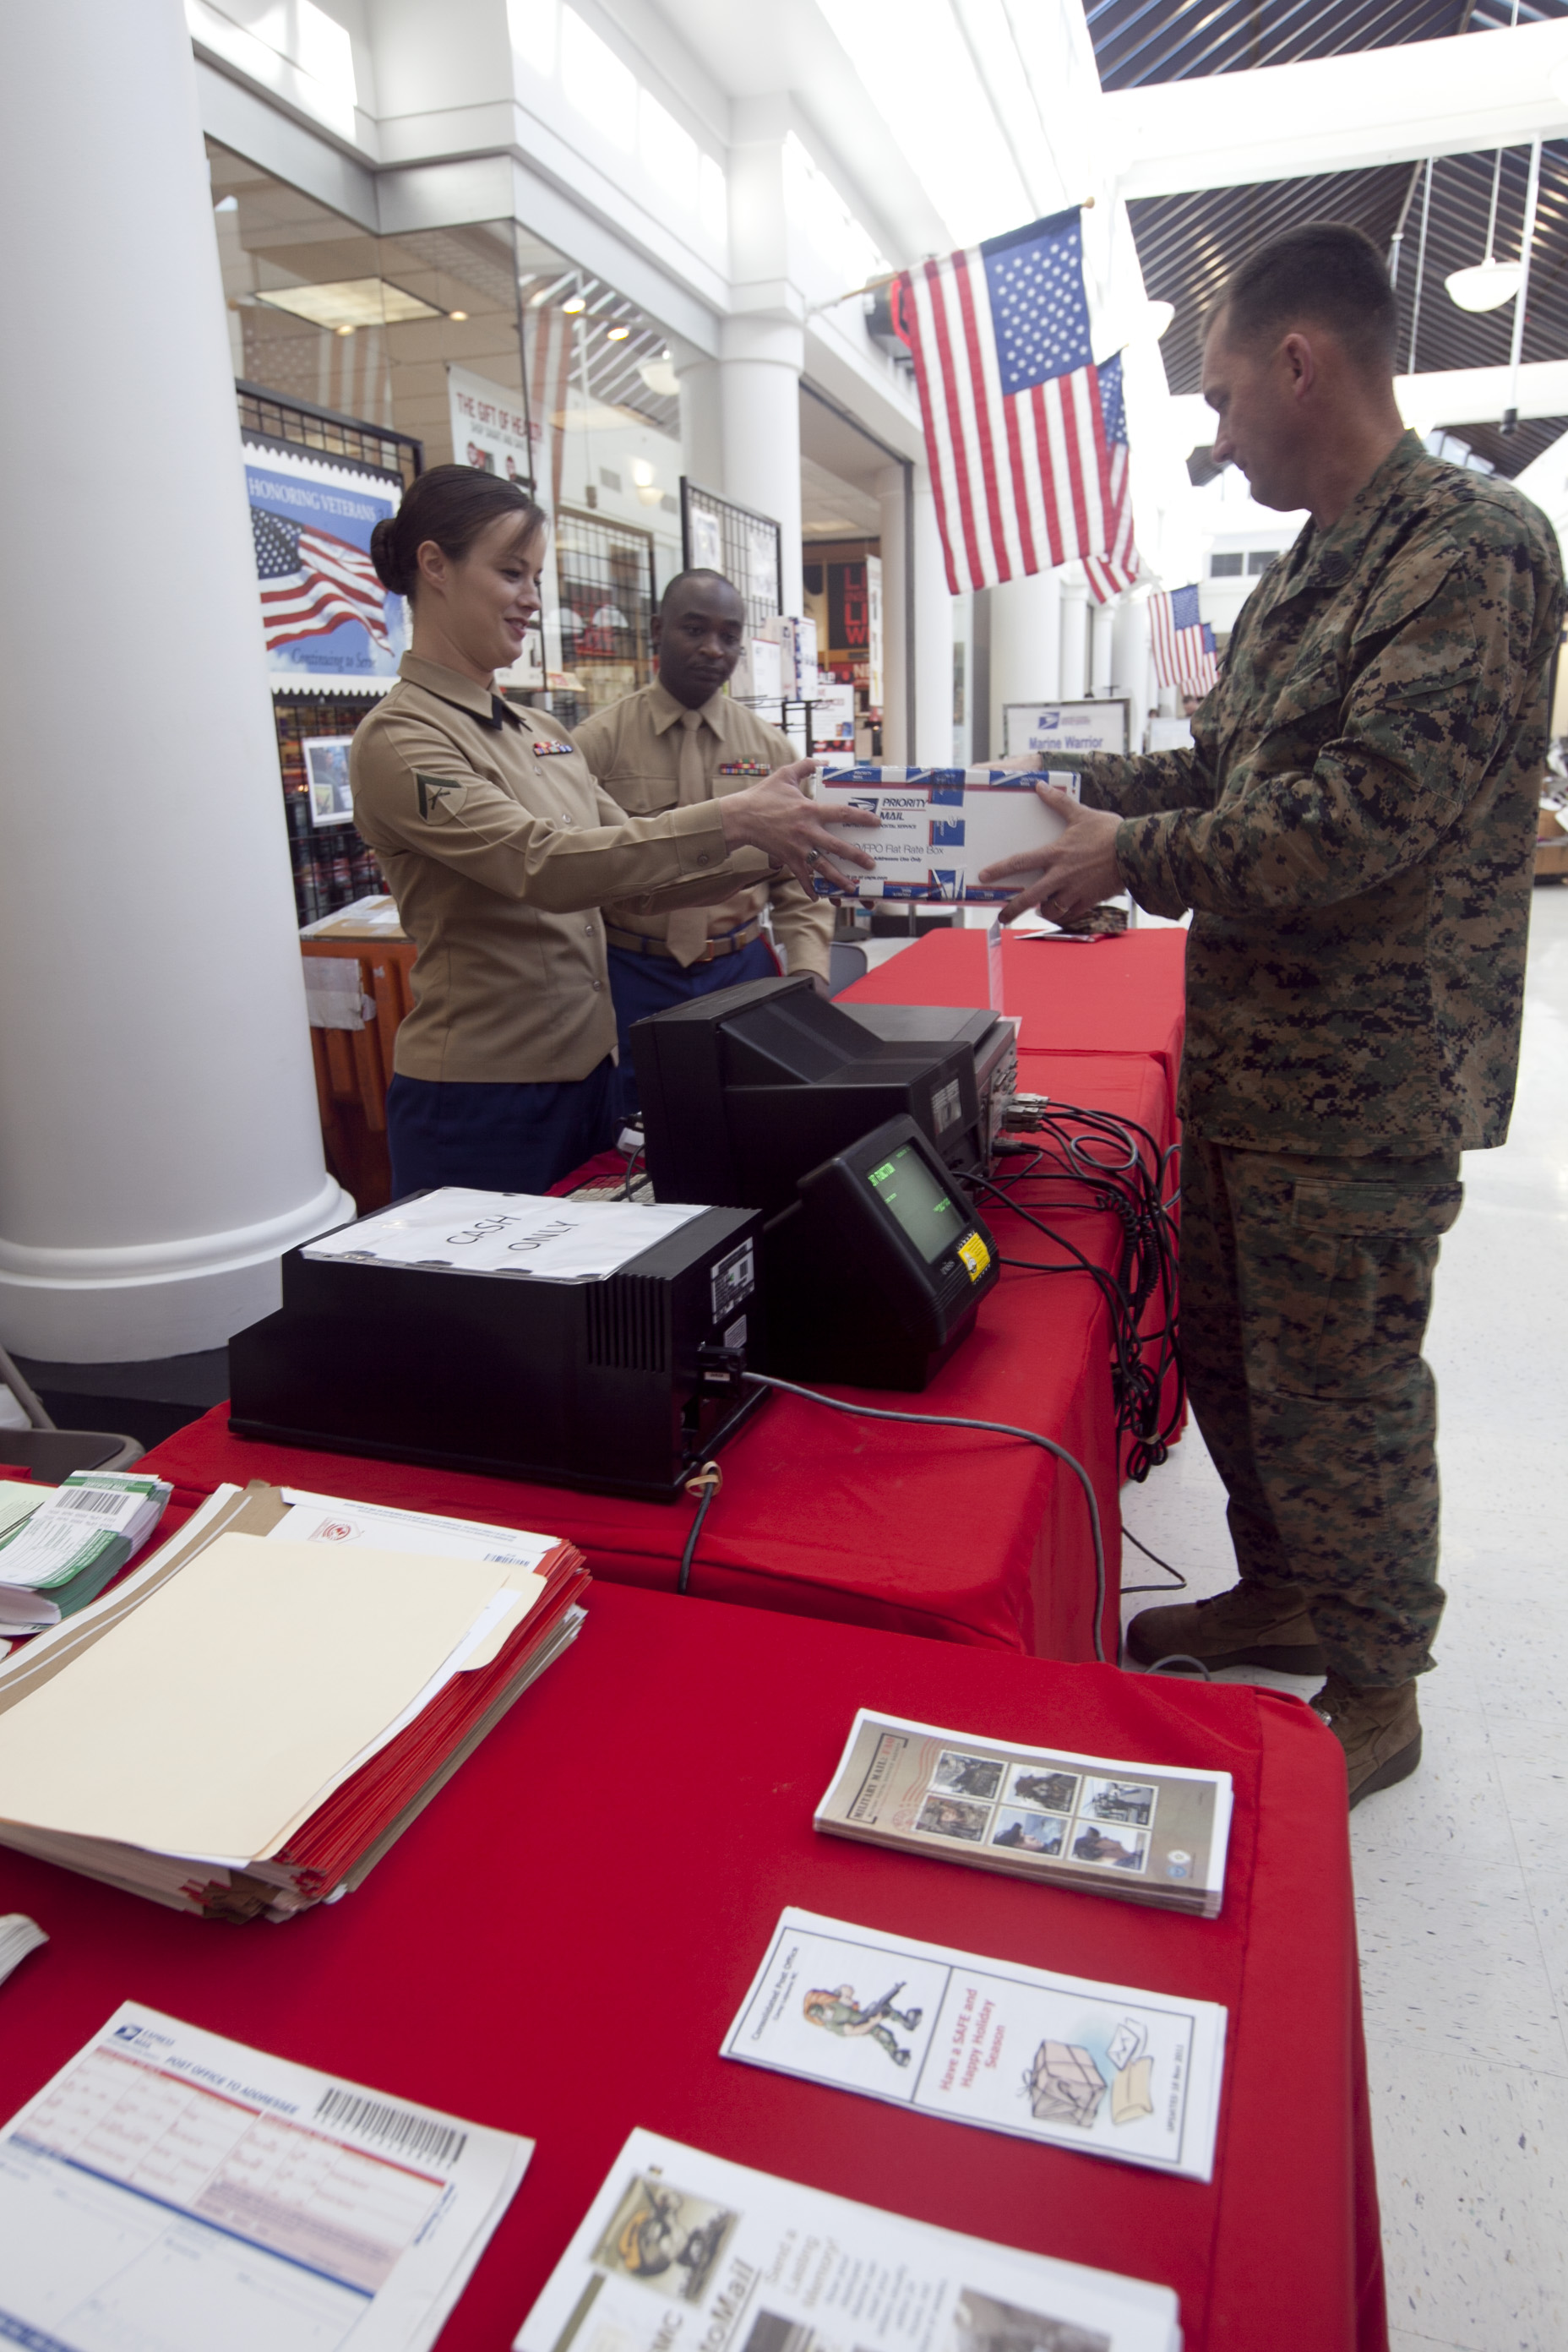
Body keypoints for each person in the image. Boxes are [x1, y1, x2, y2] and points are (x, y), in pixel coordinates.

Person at [981, 223, 1565, 1807]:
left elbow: (1361, 813)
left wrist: (1132, 854)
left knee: (1344, 1390)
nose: (1218, 433)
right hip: (1255, 1061)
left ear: (1300, 363)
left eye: (1225, 394)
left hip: (1367, 1085)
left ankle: (1377, 1683)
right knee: (1234, 1363)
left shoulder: (1472, 547)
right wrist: (1043, 798)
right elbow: (1228, 771)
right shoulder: (1310, 564)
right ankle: (1284, 1589)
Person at [350, 468, 874, 1196]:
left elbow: (640, 882)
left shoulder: (537, 731)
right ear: (435, 566)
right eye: (511, 573)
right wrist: (734, 817)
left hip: (589, 1079)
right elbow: (544, 866)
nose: (532, 600)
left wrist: (785, 847)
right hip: (484, 1097)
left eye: (536, 578)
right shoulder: (404, 739)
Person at [571, 569, 836, 1119]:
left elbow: (802, 875)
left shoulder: (771, 752)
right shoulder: (596, 746)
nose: (714, 649)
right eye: (694, 630)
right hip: (630, 974)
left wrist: (808, 966)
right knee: (634, 1130)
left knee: (752, 1120)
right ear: (657, 630)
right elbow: (570, 868)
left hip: (739, 970)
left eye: (729, 636)